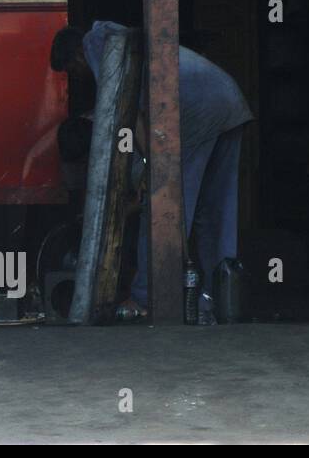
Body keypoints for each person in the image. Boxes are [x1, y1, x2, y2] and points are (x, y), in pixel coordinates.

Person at [50, 21, 252, 322]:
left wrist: (149, 168)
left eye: (71, 72)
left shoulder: (98, 47)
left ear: (75, 57)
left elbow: (135, 115)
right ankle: (219, 299)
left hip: (199, 109)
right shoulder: (118, 40)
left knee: (163, 207)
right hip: (228, 98)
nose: (77, 79)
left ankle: (146, 297)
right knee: (215, 211)